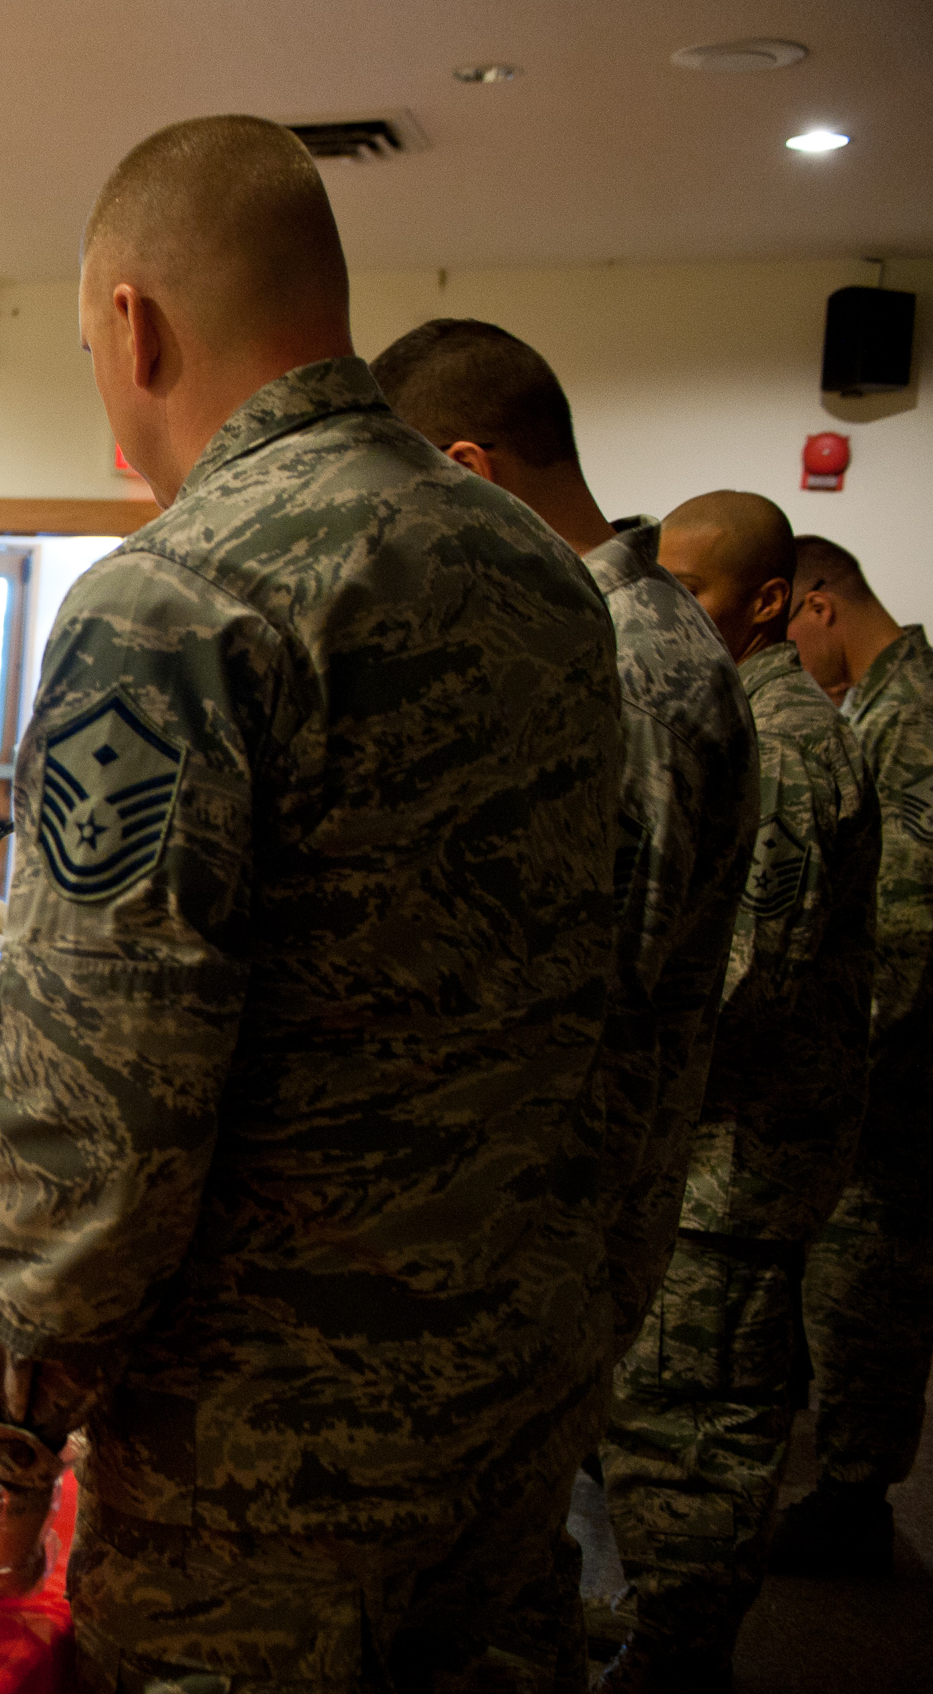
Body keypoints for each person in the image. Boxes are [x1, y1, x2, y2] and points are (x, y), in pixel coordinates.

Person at [0, 115, 623, 1692]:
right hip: (510, 1393)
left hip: (265, 1459)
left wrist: (2, 1435)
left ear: (133, 322)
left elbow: (99, 1089)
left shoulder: (182, 593)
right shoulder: (550, 584)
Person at [368, 320, 756, 1355]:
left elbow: (606, 982)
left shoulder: (630, 665)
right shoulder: (584, 632)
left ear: (469, 474)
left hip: (556, 1217)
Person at [588, 494, 878, 1686]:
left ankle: (679, 1655)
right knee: (663, 1422)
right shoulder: (742, 715)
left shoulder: (789, 744)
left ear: (767, 601)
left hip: (732, 1168)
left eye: (696, 592)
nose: (673, 614)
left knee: (693, 1437)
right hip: (708, 1157)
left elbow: (738, 975)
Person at [771, 533, 933, 1576]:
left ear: (819, 604)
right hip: (874, 1066)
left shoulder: (909, 722)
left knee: (867, 1280)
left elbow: (910, 930)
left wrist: (847, 1066)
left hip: (897, 1072)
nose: (790, 657)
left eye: (788, 630)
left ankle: (853, 1497)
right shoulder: (878, 707)